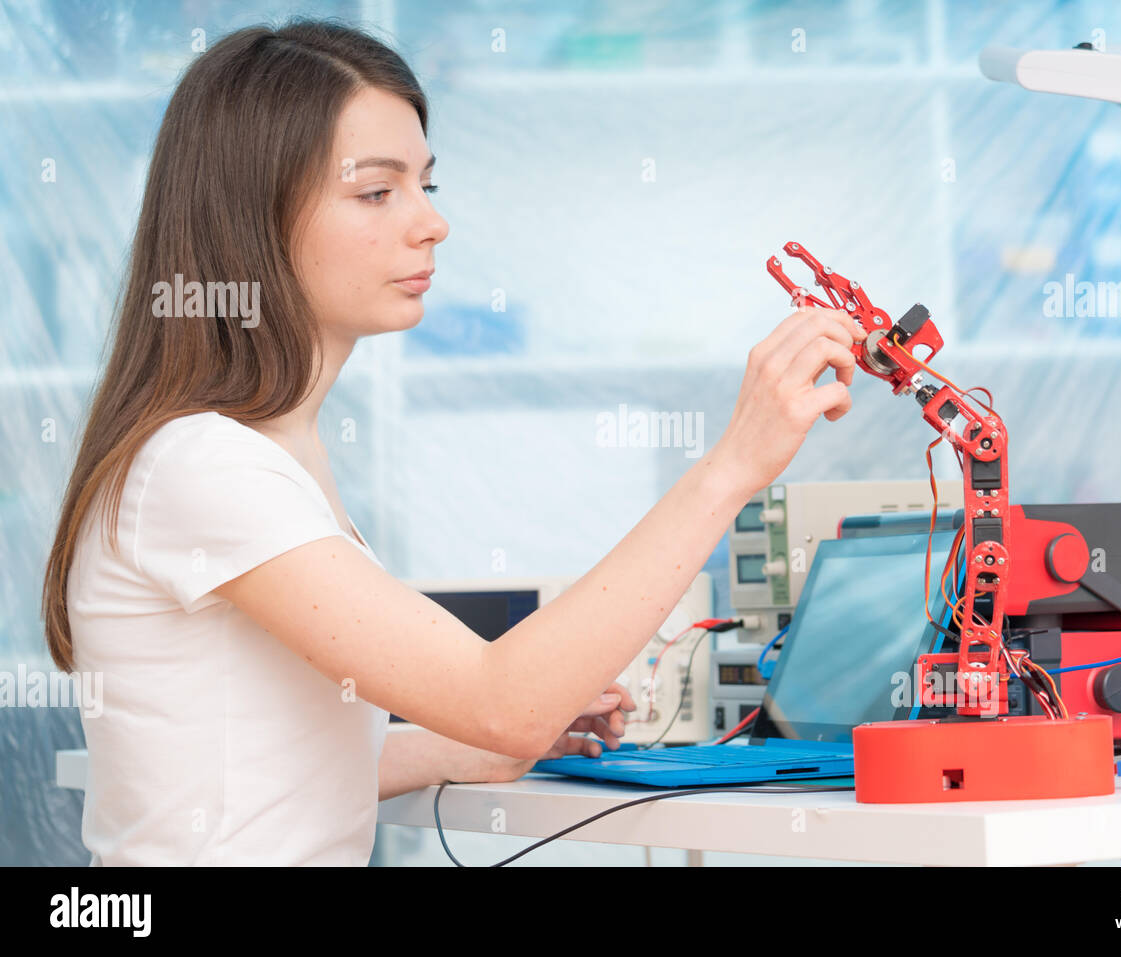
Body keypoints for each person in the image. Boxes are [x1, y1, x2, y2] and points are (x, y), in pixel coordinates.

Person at [41, 18, 866, 866]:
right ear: (253, 217)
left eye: (428, 185)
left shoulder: (265, 451)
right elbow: (502, 699)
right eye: (377, 192)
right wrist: (732, 467)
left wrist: (461, 747)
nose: (432, 224)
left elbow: (250, 776)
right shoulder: (203, 463)